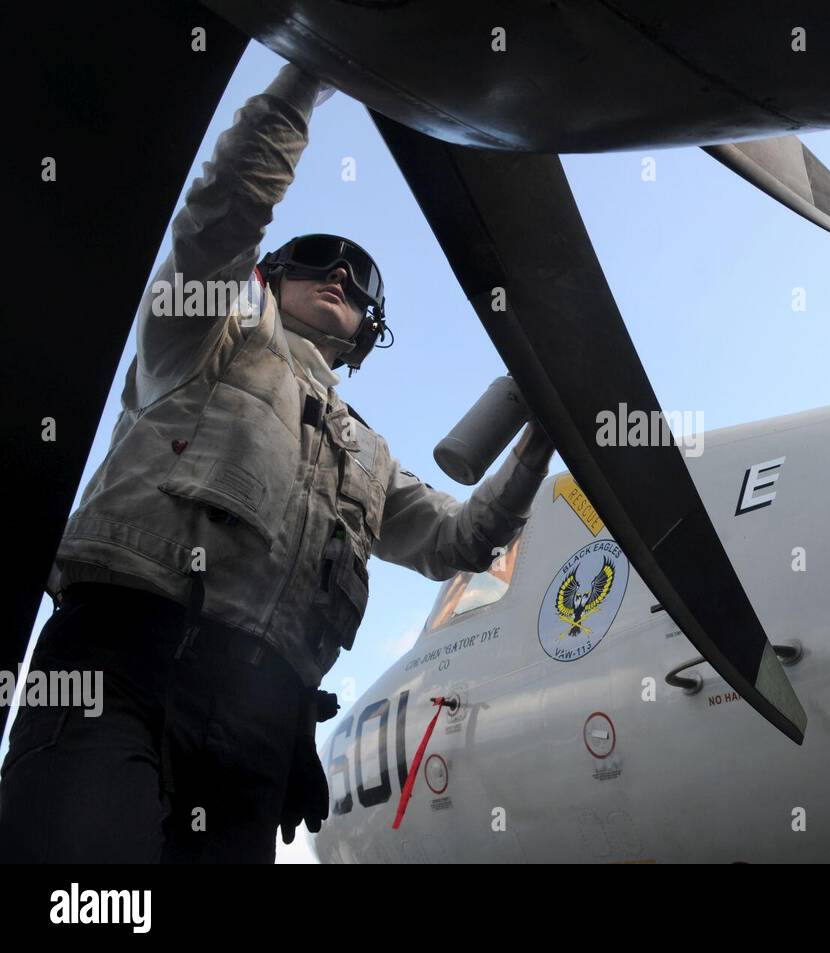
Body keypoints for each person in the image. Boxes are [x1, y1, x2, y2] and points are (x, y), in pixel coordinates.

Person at [0, 62, 553, 863]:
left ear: (365, 332)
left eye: (360, 285)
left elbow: (461, 541)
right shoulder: (200, 339)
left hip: (259, 730)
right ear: (268, 278)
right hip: (125, 664)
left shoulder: (369, 457)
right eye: (322, 259)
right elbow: (220, 217)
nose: (340, 275)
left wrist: (540, 439)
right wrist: (306, 77)